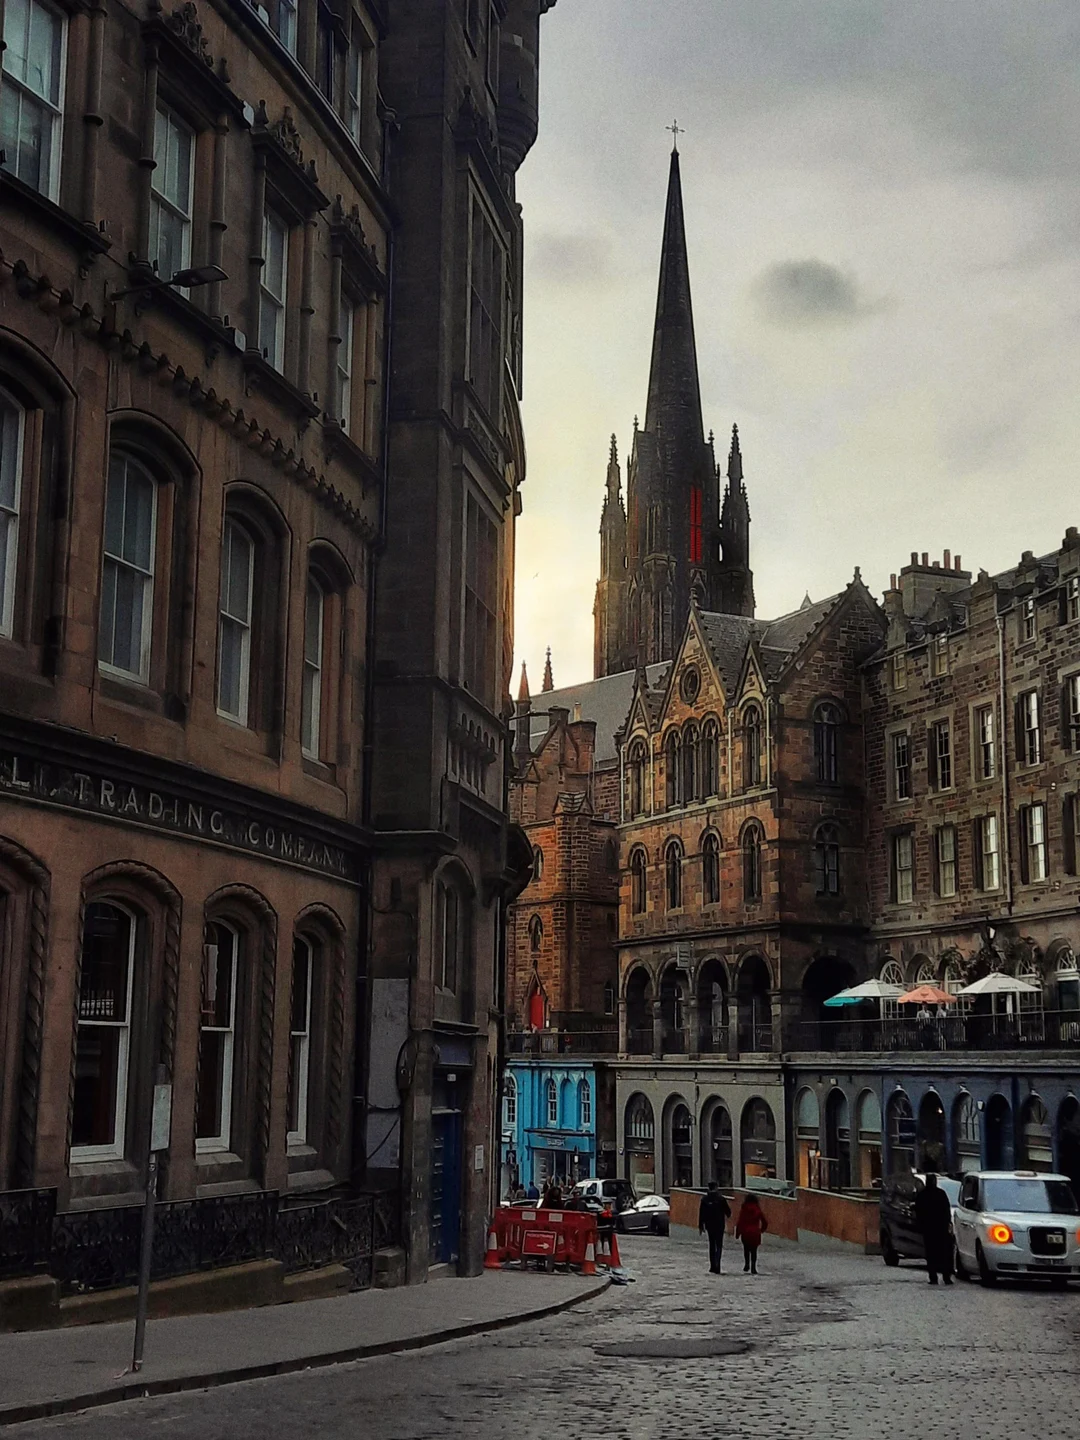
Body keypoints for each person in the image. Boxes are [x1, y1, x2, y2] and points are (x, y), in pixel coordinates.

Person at [914, 1171, 953, 1285]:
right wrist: (947, 1224)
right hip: (940, 1228)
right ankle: (946, 1276)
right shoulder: (940, 1194)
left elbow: (918, 1212)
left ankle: (933, 1277)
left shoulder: (922, 1195)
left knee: (931, 1254)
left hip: (929, 1229)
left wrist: (921, 1225)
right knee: (944, 1253)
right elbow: (946, 1210)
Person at [698, 1181, 731, 1274]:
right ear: (716, 1187)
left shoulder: (704, 1199)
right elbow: (728, 1212)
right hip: (719, 1225)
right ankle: (718, 1265)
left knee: (711, 1245)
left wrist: (701, 1225)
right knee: (719, 1245)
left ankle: (713, 1266)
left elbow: (701, 1214)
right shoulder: (721, 1199)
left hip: (709, 1225)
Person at [734, 1194, 768, 1275]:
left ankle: (747, 1264)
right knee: (754, 1251)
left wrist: (737, 1233)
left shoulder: (744, 1209)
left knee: (746, 1249)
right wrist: (761, 1230)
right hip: (755, 1233)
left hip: (745, 1232)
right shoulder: (757, 1209)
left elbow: (740, 1221)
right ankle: (753, 1267)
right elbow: (764, 1222)